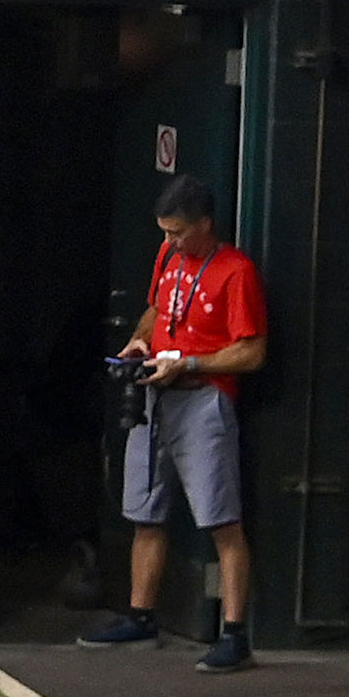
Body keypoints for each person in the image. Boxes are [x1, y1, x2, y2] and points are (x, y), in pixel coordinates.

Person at [82, 173, 265, 671]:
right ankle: (141, 616)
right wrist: (143, 341)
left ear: (205, 225)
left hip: (202, 398)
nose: (169, 242)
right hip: (154, 394)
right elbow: (157, 309)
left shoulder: (235, 271)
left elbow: (251, 351)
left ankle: (233, 633)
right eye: (165, 232)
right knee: (145, 511)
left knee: (222, 520)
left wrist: (189, 363)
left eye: (178, 232)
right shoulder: (169, 259)